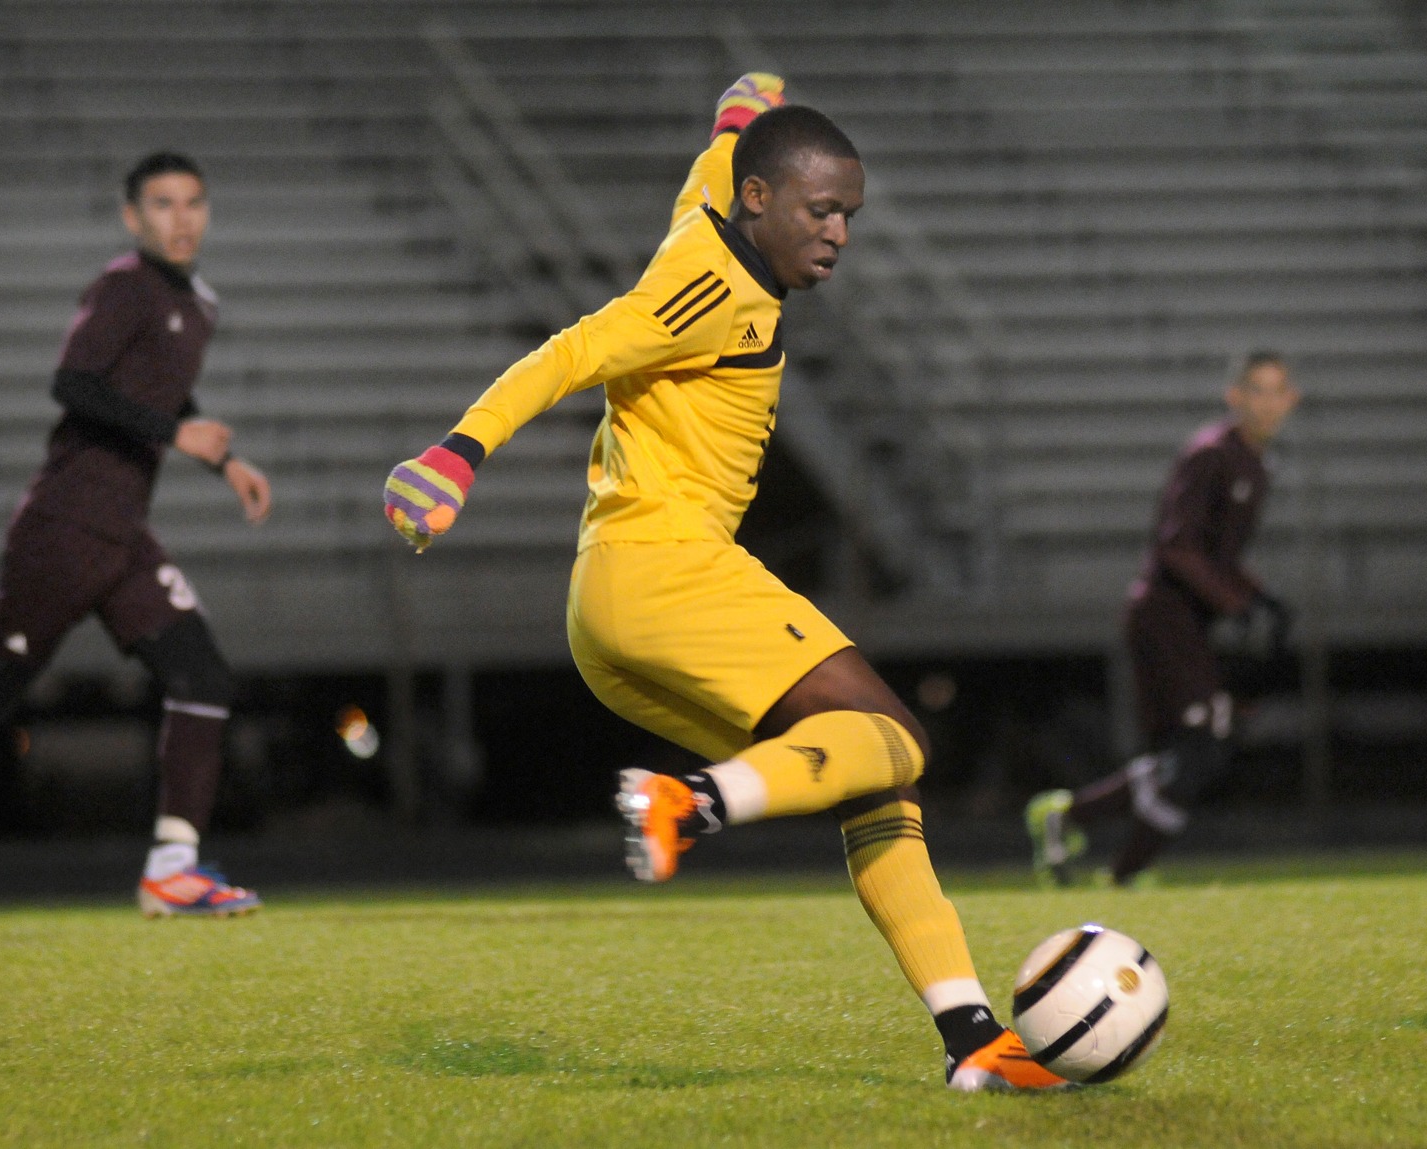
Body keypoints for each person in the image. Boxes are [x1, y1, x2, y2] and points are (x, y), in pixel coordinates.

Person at [384, 76, 1066, 1092]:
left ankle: (974, 1041)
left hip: (612, 610)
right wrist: (456, 454)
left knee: (873, 778)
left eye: (849, 214)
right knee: (899, 738)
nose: (837, 233)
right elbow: (570, 351)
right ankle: (687, 804)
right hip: (670, 571)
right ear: (759, 202)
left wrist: (742, 104)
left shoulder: (722, 195)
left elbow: (731, 138)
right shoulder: (704, 290)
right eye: (819, 211)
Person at [0, 152, 271, 917]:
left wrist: (227, 459)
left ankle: (173, 869)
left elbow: (165, 391)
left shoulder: (198, 302)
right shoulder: (123, 286)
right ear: (132, 215)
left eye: (194, 202)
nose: (182, 218)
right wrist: (179, 436)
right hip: (66, 528)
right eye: (163, 203)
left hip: (121, 535)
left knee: (202, 675)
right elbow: (73, 384)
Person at [1028, 352, 1300, 887]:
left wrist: (1257, 596)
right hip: (1163, 615)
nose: (1270, 403)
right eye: (1258, 390)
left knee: (1195, 755)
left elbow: (1215, 555)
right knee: (1202, 749)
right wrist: (1235, 603)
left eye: (1279, 391)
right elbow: (1176, 547)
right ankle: (1113, 862)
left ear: (1293, 399)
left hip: (1187, 620)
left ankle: (1080, 835)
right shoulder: (1210, 456)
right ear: (1235, 396)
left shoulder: (1256, 463)